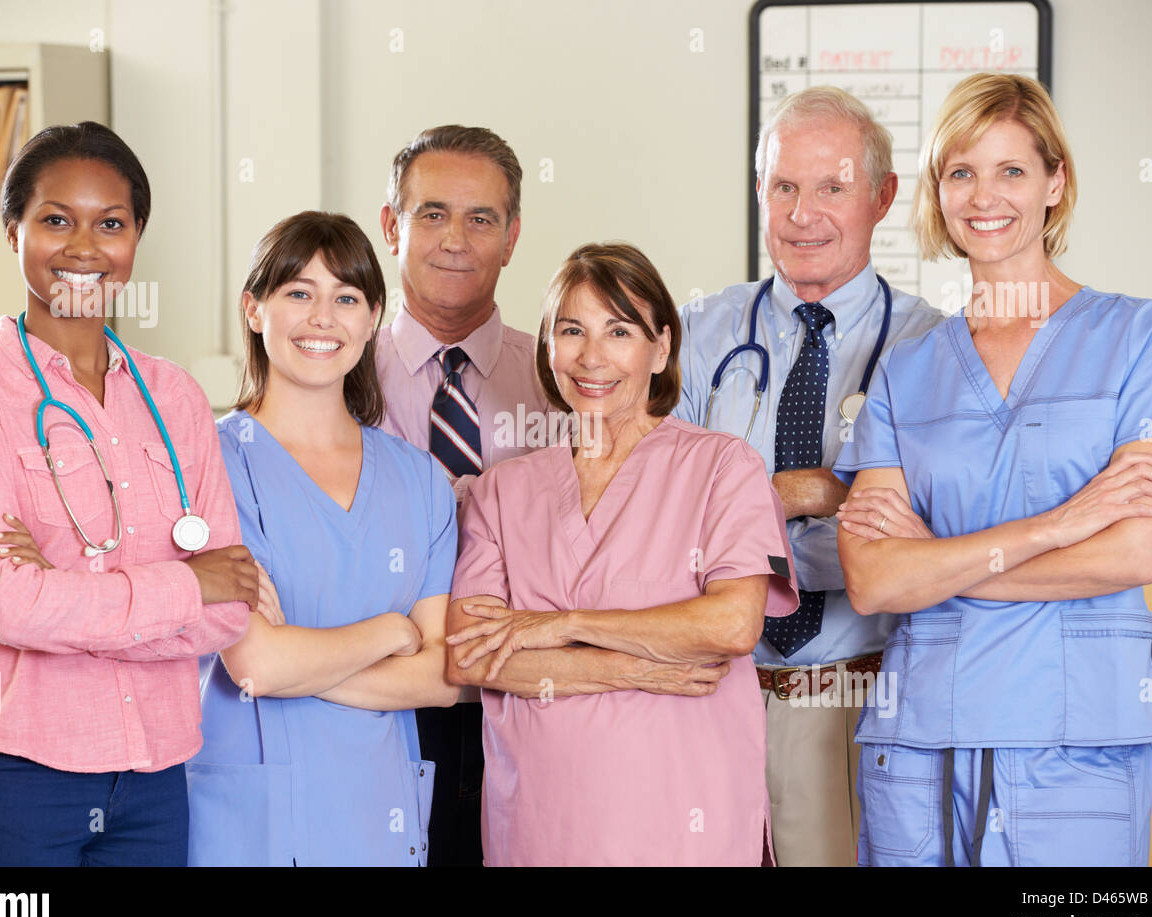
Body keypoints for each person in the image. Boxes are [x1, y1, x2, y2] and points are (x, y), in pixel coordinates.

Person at [834, 72, 1152, 866]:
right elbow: (872, 582)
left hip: (1075, 750)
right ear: (938, 190)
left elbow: (1137, 552)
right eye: (961, 172)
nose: (983, 196)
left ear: (1055, 183)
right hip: (921, 740)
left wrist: (935, 564)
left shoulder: (1138, 338)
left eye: (1012, 171)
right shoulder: (907, 369)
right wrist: (1059, 526)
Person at [0, 122, 256, 866]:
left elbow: (230, 608)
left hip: (157, 778)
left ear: (137, 236)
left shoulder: (177, 398)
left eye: (110, 223)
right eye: (55, 220)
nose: (83, 246)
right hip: (16, 773)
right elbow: (7, 604)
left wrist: (67, 595)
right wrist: (182, 586)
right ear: (13, 230)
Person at [446, 242, 799, 865]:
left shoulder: (722, 467)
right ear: (548, 348)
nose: (592, 356)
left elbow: (730, 624)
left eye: (619, 330)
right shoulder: (503, 490)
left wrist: (560, 627)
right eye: (571, 330)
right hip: (540, 821)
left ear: (661, 348)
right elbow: (474, 658)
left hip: (683, 816)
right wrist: (631, 667)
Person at [673, 87, 942, 866]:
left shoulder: (931, 348)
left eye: (832, 187)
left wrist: (772, 504)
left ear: (883, 197)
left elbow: (919, 536)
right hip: (710, 693)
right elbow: (666, 520)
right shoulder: (695, 333)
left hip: (854, 698)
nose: (802, 212)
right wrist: (838, 496)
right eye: (783, 186)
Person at [187, 211, 459, 866]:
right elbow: (254, 665)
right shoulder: (208, 465)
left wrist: (293, 663)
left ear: (371, 320)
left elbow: (447, 677)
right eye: (298, 293)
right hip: (253, 830)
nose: (322, 318)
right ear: (255, 309)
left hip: (379, 820)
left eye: (346, 298)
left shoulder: (420, 482)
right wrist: (392, 631)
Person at [376, 125, 549, 866]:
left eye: (481, 219)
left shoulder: (566, 376)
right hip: (383, 702)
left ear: (511, 238)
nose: (456, 239)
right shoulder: (331, 373)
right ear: (391, 226)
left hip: (530, 703)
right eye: (432, 213)